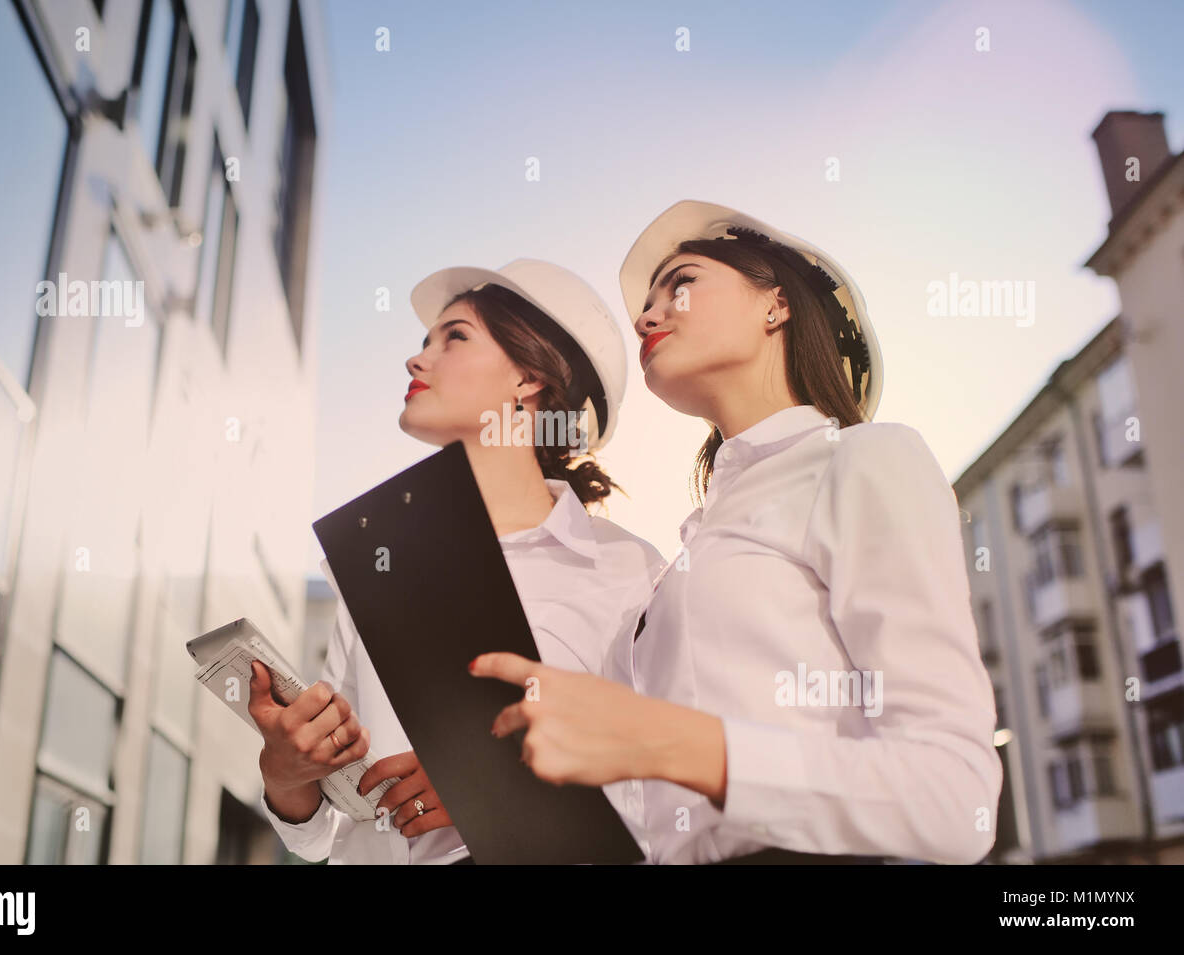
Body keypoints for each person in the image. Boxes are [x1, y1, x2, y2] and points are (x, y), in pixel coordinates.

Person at [470, 200, 1003, 865]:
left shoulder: (864, 460)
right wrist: (481, 791)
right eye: (647, 302)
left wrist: (672, 741)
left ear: (775, 305)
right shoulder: (677, 569)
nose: (645, 316)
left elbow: (957, 799)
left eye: (681, 285)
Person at [249, 259, 665, 864]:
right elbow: (331, 834)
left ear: (528, 376)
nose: (417, 361)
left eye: (456, 337)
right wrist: (288, 779)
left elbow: (679, 803)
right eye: (424, 342)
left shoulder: (630, 574)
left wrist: (504, 793)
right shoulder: (379, 561)